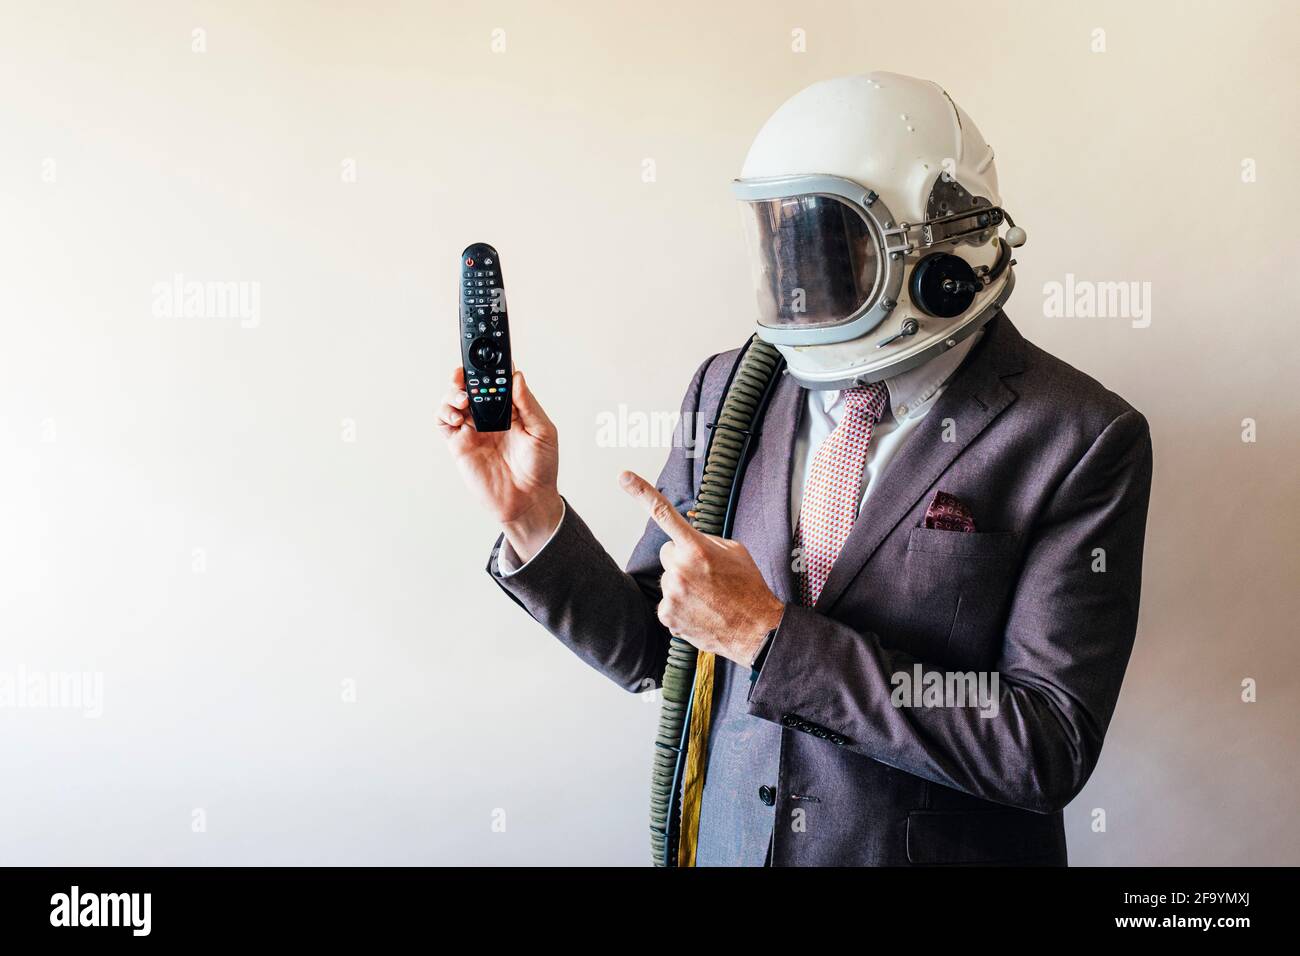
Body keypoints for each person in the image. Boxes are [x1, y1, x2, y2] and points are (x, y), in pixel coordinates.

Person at [438, 72, 1153, 866]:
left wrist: (773, 638)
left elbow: (1045, 744)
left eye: (832, 244)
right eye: (785, 241)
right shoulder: (729, 386)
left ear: (939, 250)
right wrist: (531, 516)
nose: (802, 277)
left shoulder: (1079, 435)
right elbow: (656, 647)